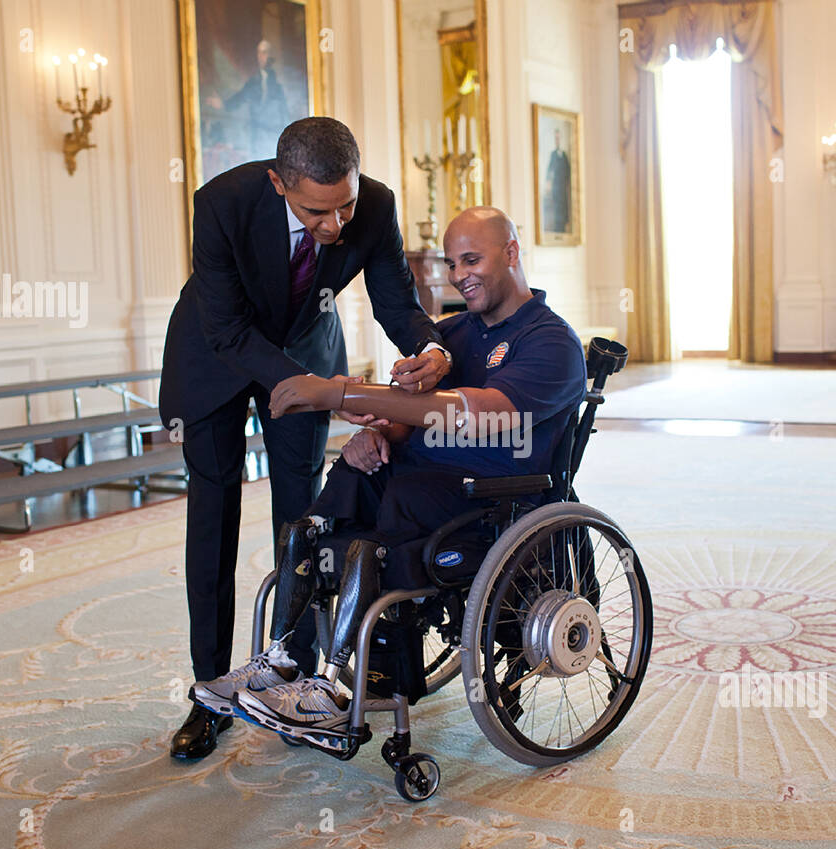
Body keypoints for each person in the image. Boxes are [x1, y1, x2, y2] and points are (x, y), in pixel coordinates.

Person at [190, 206, 586, 737]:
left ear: (511, 253)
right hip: (419, 479)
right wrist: (376, 434)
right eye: (451, 264)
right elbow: (406, 416)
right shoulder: (450, 336)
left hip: (490, 496)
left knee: (397, 504)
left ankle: (330, 687)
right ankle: (282, 657)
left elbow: (476, 412)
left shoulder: (552, 342)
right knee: (331, 504)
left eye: (472, 259)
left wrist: (338, 391)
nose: (459, 275)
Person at [159, 117, 453, 759]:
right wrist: (332, 392)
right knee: (214, 516)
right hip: (215, 358)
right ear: (277, 183)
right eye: (317, 211)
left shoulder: (374, 204)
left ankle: (291, 679)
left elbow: (395, 302)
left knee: (304, 516)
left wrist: (432, 347)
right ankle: (209, 693)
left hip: (306, 348)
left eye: (345, 204)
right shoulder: (220, 205)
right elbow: (230, 331)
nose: (336, 226)